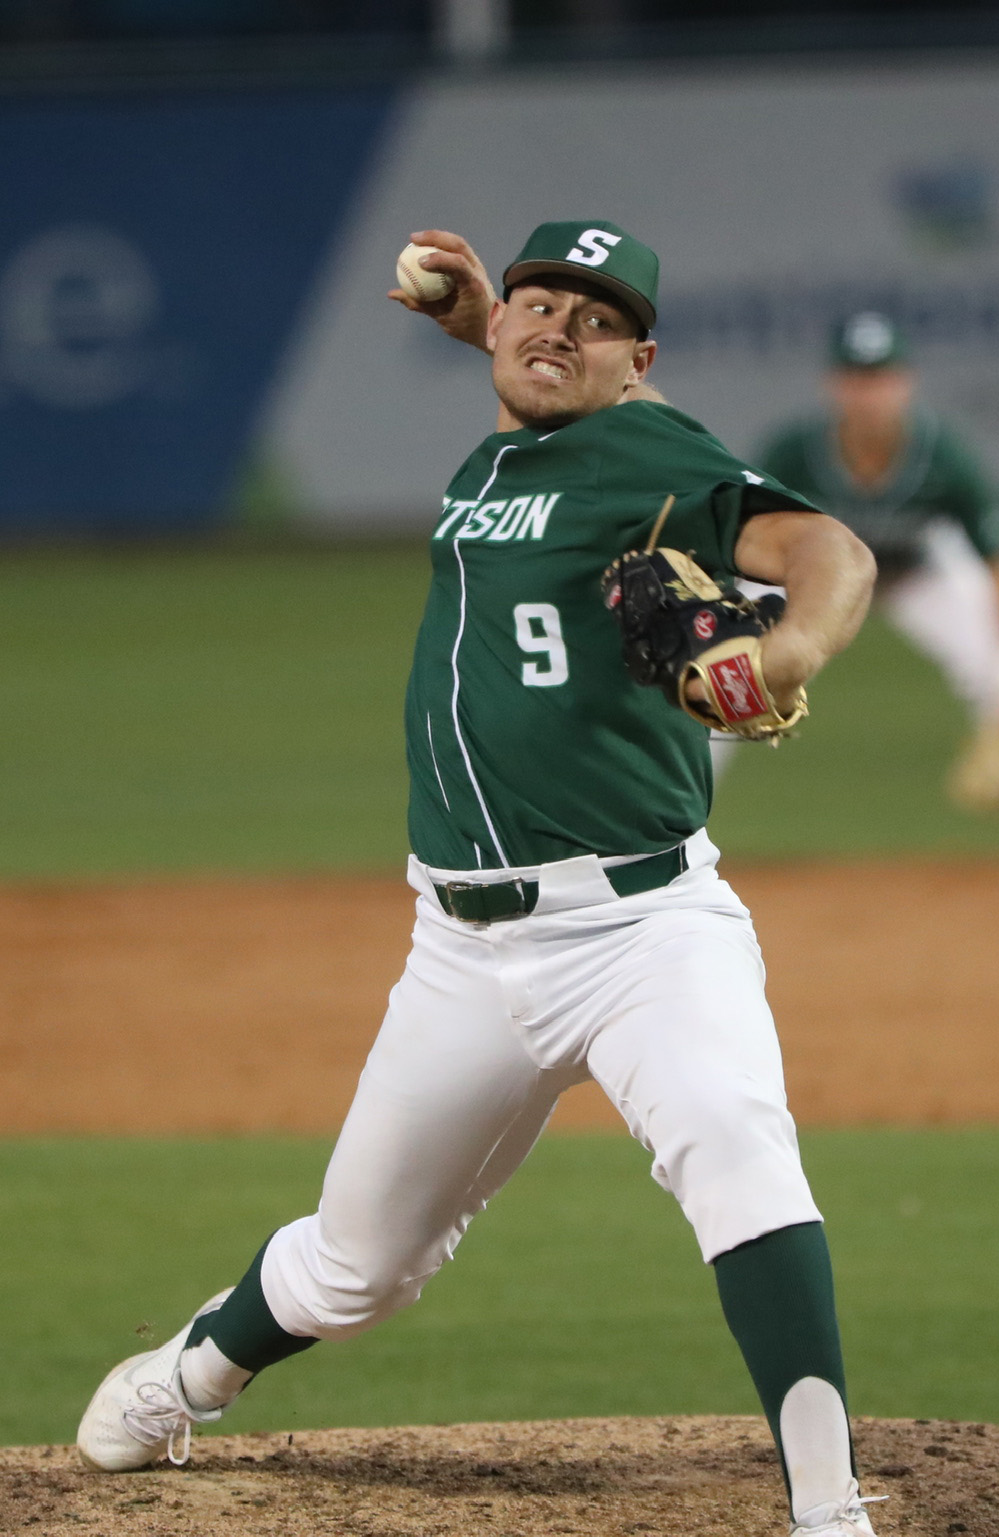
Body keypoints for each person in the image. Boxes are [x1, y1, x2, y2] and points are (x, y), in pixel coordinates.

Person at [74, 220, 887, 1537]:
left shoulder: (656, 451)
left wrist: (785, 652)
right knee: (356, 1270)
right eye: (538, 301)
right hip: (459, 951)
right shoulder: (510, 443)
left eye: (597, 316)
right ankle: (185, 1375)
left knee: (737, 1148)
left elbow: (832, 552)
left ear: (643, 361)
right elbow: (539, 377)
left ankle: (828, 1509)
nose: (557, 324)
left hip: (642, 930)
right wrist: (485, 326)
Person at [728, 312, 999, 865]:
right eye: (857, 378)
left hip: (919, 575)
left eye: (882, 377)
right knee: (728, 674)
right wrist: (732, 616)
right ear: (834, 386)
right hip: (814, 579)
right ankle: (671, 829)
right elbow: (740, 536)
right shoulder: (794, 453)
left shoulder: (943, 455)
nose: (870, 393)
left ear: (906, 383)